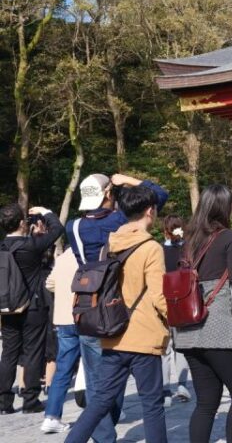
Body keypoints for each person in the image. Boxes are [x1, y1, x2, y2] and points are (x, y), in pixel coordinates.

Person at [66, 172, 168, 441]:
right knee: (152, 405)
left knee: (98, 400)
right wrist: (129, 180)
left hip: (107, 326)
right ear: (150, 211)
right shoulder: (149, 246)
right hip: (143, 333)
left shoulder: (94, 236)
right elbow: (159, 297)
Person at [173, 185, 232, 443]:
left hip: (187, 330)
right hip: (216, 327)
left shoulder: (189, 239)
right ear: (223, 206)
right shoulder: (229, 236)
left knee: (206, 402)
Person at [0, 204, 64, 414]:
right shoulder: (32, 245)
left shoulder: (2, 247)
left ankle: (4, 402)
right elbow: (57, 229)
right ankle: (30, 400)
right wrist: (46, 211)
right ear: (22, 223)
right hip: (33, 306)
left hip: (8, 307)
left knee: (8, 353)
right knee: (33, 352)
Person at [40, 243, 80, 433]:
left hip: (64, 318)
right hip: (86, 318)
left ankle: (52, 416)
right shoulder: (91, 253)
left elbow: (49, 283)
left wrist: (64, 291)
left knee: (63, 369)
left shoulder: (63, 257)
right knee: (98, 368)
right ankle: (108, 412)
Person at [160, 215, 192, 407]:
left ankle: (165, 391)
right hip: (183, 301)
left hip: (164, 301)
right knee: (181, 346)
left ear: (165, 230)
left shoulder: (159, 250)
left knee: (165, 348)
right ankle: (182, 385)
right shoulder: (188, 249)